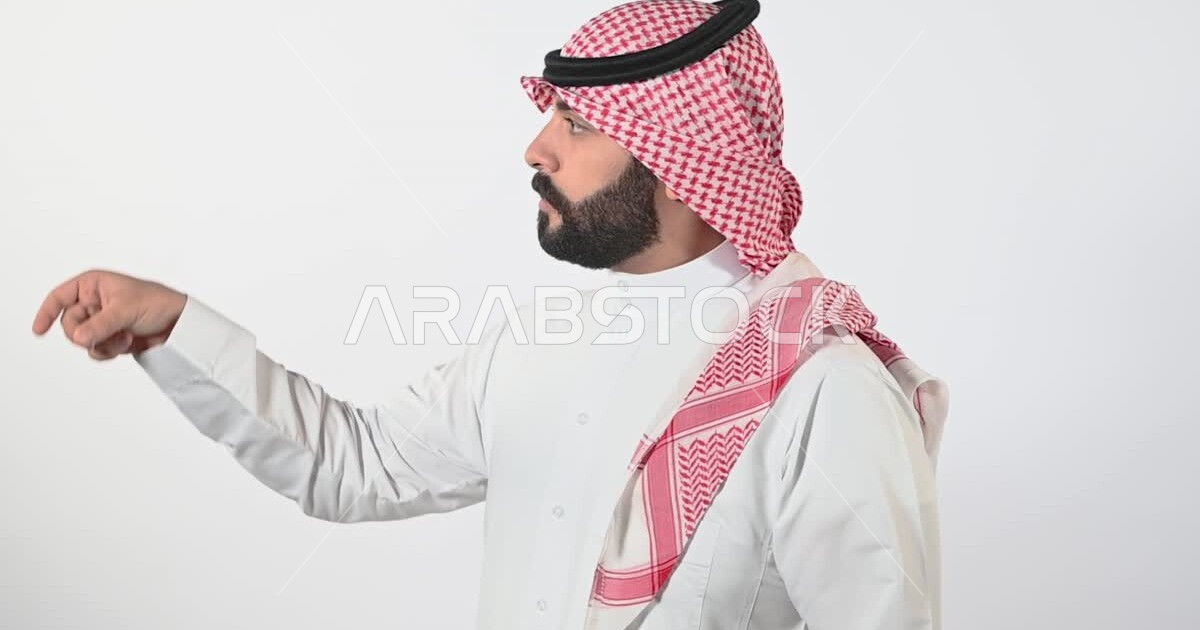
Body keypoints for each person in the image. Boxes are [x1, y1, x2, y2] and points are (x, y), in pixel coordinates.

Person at [30, 1, 948, 628]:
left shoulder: (823, 393)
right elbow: (356, 467)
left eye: (578, 124)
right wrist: (175, 329)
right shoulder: (535, 345)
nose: (535, 146)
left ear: (679, 158)